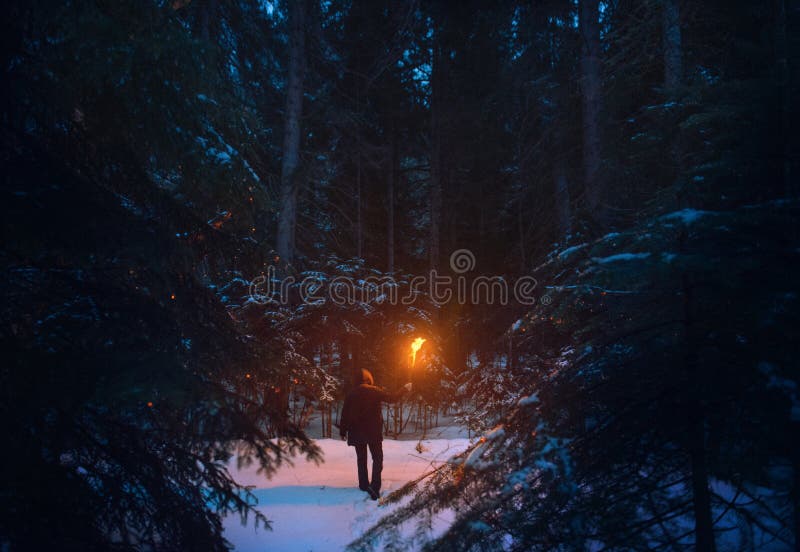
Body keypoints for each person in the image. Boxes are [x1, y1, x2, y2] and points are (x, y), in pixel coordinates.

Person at [339, 369, 411, 500]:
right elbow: (392, 398)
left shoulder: (351, 394)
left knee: (361, 459)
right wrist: (405, 389)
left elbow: (345, 414)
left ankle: (364, 484)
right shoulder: (375, 391)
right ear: (368, 379)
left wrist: (343, 431)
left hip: (356, 432)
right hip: (372, 431)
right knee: (377, 458)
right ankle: (375, 485)